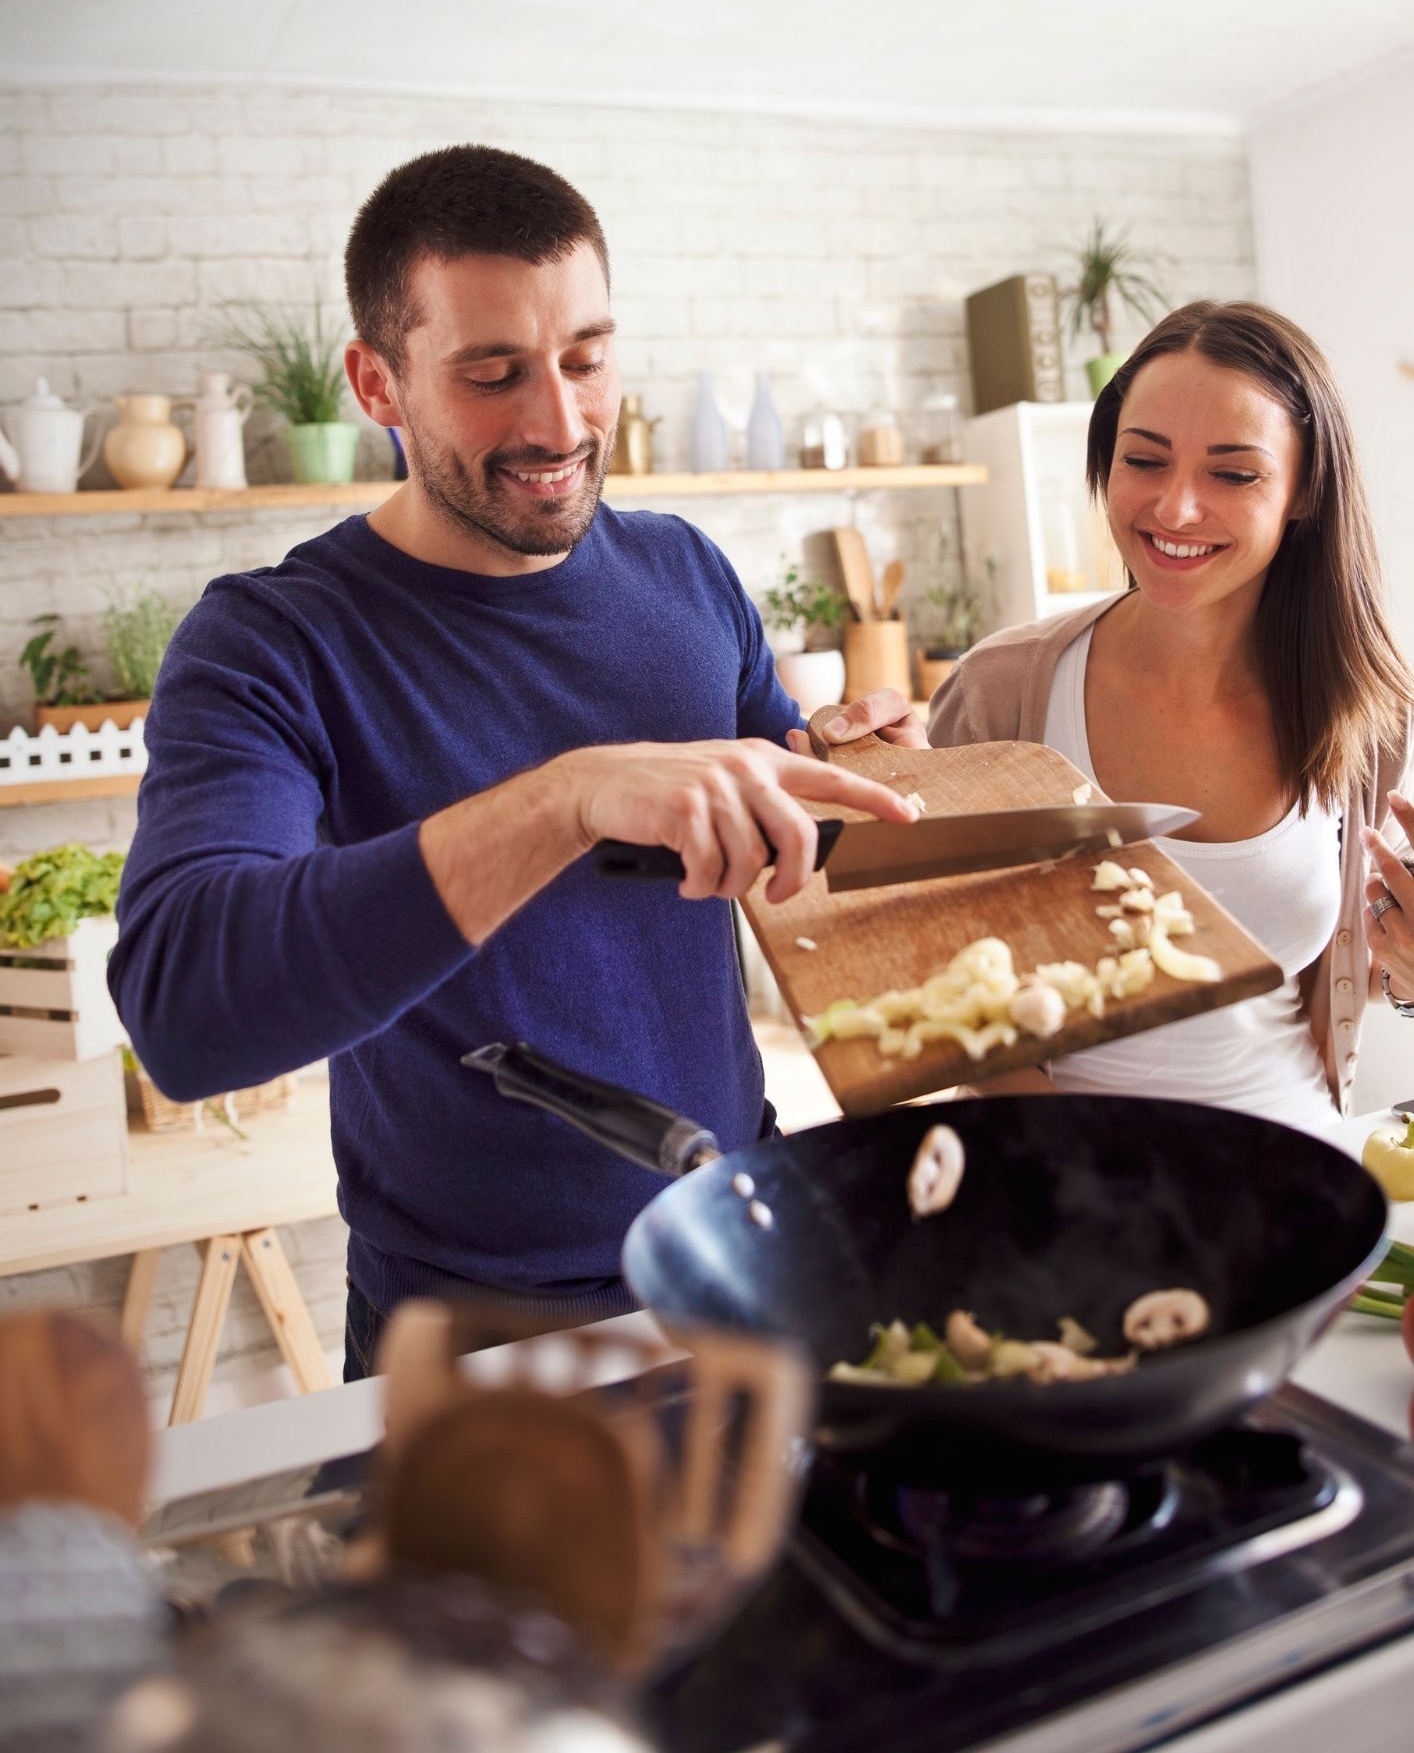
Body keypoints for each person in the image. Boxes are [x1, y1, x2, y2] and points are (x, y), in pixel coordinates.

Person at [108, 145, 917, 1376]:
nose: (558, 421)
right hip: (478, 1336)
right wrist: (562, 797)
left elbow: (785, 831)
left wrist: (845, 768)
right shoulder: (272, 640)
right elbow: (184, 1010)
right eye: (493, 374)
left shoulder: (687, 575)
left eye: (586, 358)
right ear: (377, 381)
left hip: (742, 1245)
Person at [812, 301, 1413, 1129]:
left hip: (1295, 1167)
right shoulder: (1004, 690)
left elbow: (1343, 973)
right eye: (1145, 460)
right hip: (1059, 1182)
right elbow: (934, 981)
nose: (1175, 509)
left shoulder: (1359, 710)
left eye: (1233, 474)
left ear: (1306, 487)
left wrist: (1406, 973)